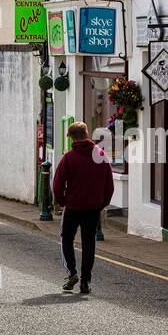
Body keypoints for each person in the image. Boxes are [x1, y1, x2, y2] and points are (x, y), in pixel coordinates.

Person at [52, 121, 114, 294]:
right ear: (86, 134)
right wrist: (101, 204)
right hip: (93, 208)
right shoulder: (101, 155)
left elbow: (57, 184)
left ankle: (72, 273)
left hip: (72, 206)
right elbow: (109, 185)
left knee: (66, 238)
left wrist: (62, 201)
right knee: (89, 243)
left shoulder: (69, 158)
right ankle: (86, 281)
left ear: (72, 137)